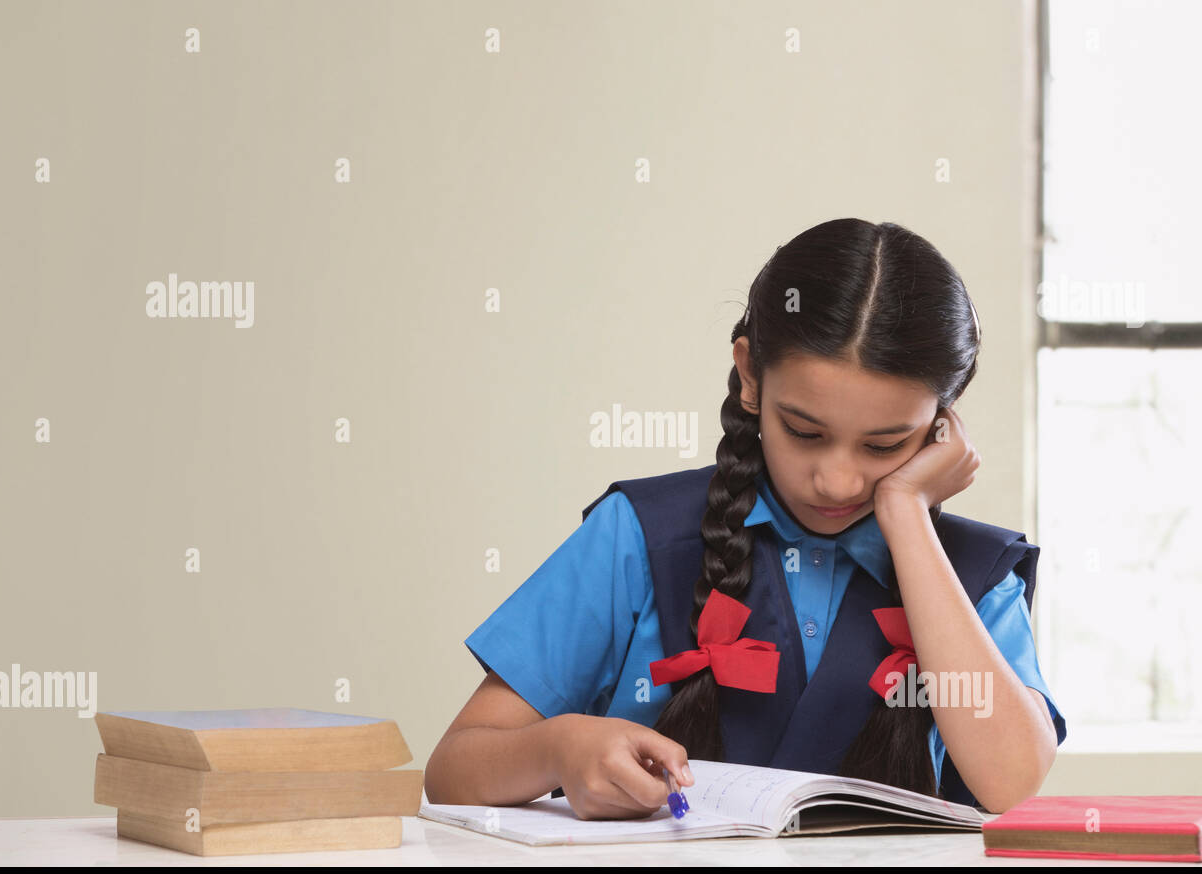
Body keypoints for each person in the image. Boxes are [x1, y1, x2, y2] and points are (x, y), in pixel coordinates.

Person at [424, 217, 1066, 820]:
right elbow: (452, 770)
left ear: (940, 427)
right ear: (750, 377)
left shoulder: (973, 576)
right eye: (804, 431)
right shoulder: (639, 536)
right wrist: (557, 746)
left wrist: (905, 513)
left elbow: (1010, 782)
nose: (837, 481)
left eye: (884, 446)